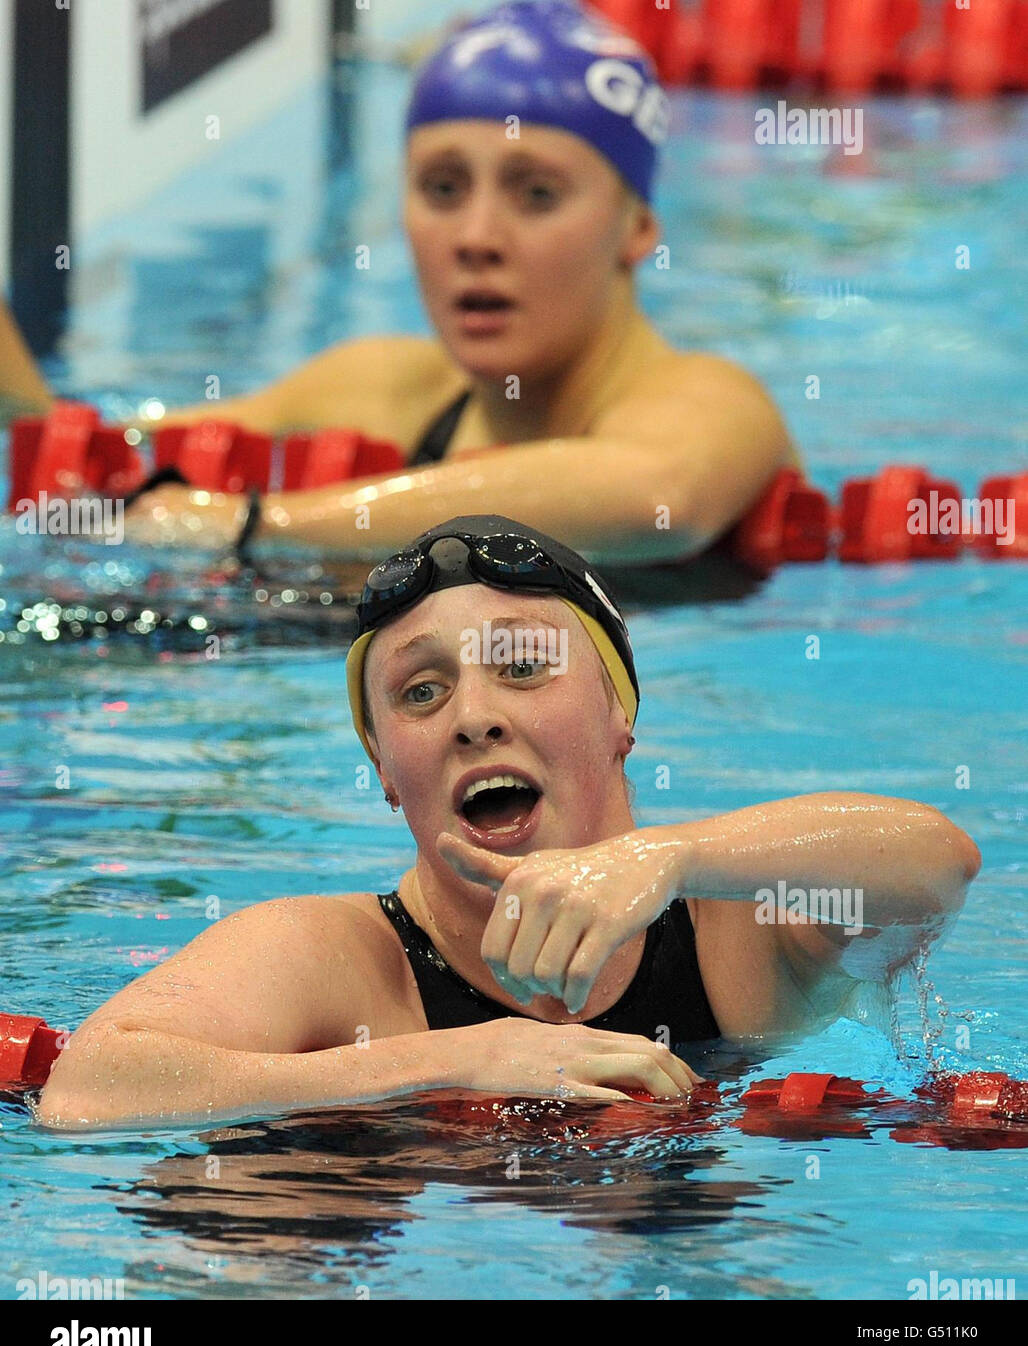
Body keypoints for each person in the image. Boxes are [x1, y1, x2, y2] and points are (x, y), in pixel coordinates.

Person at [36, 514, 981, 1131]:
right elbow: (87, 1090)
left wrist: (674, 857)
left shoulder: (733, 930)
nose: (474, 715)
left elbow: (939, 867)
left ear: (621, 716)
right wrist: (458, 1060)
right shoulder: (338, 959)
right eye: (421, 690)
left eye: (523, 667)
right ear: (385, 775)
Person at [1, 0, 800, 567]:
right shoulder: (384, 387)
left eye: (537, 195)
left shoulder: (715, 402)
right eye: (444, 189)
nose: (477, 239)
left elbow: (660, 498)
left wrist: (253, 525)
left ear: (638, 228)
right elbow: (107, 457)